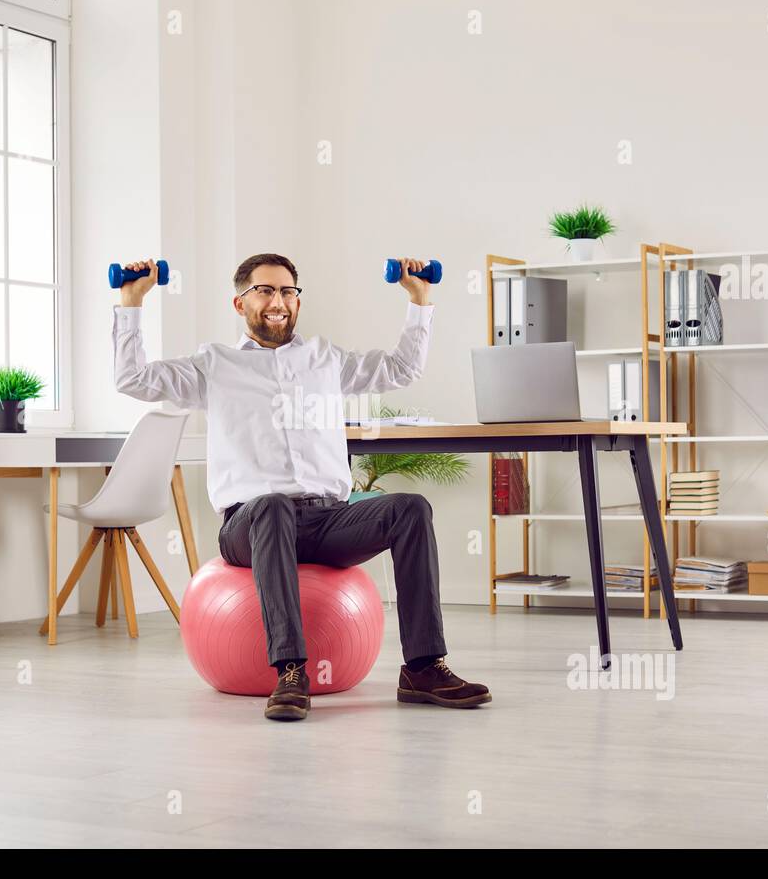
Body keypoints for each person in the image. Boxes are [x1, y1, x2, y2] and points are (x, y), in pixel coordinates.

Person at [113, 253, 490, 721]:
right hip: (250, 525)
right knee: (271, 505)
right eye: (265, 290)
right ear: (240, 303)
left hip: (327, 518)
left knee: (409, 507)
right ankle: (291, 670)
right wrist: (131, 303)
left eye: (288, 291)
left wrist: (419, 300)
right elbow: (132, 379)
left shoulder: (325, 359)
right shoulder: (214, 365)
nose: (279, 301)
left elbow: (400, 370)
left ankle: (422, 668)